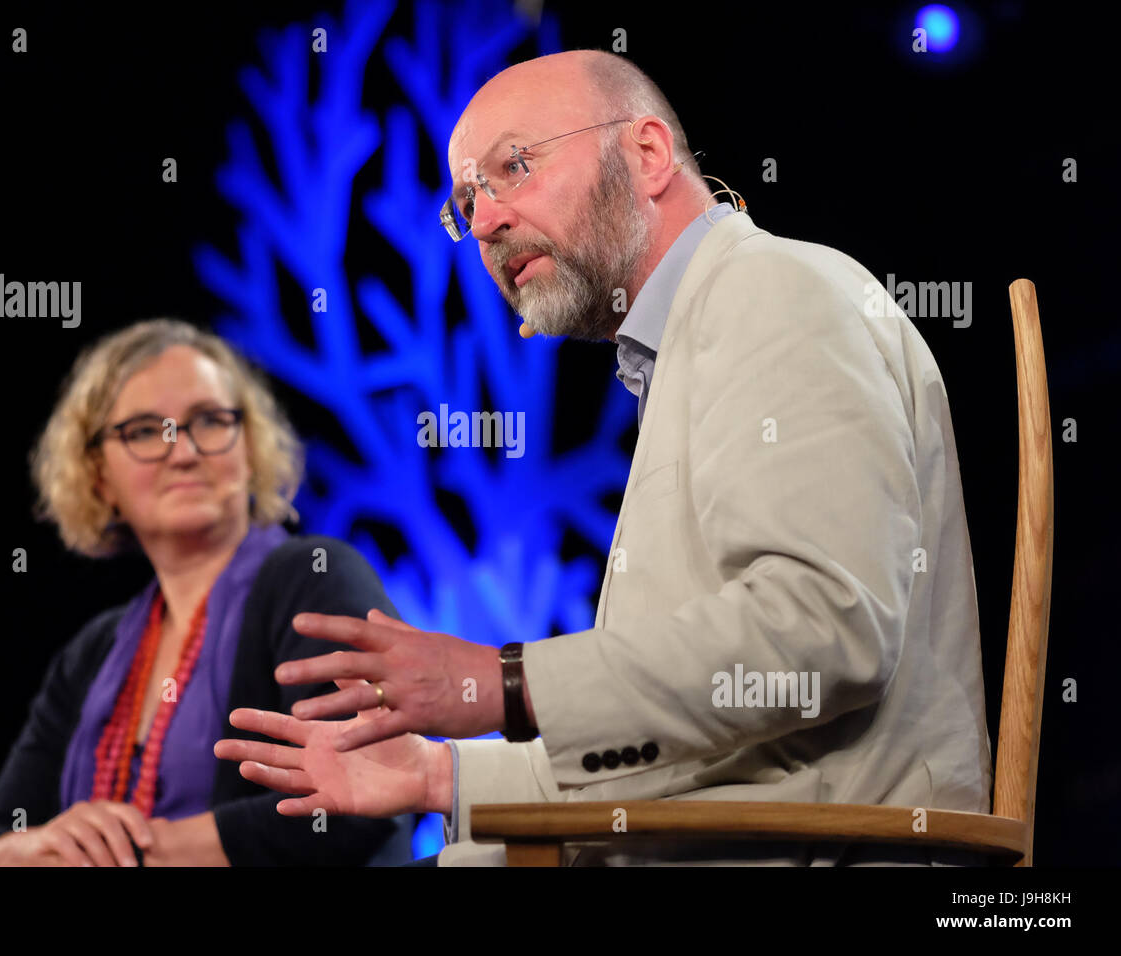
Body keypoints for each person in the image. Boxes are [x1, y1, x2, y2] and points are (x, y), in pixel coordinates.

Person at [214, 49, 992, 866]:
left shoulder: (774, 291)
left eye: (514, 167)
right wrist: (438, 773)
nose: (483, 223)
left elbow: (828, 632)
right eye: (466, 201)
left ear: (648, 154)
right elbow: (696, 741)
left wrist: (501, 683)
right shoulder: (688, 343)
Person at [0, 318, 413, 866]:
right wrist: (35, 846)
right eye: (145, 431)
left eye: (210, 421)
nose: (183, 451)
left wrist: (137, 854)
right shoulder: (92, 653)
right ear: (98, 476)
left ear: (251, 446)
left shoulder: (315, 577)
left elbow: (368, 794)